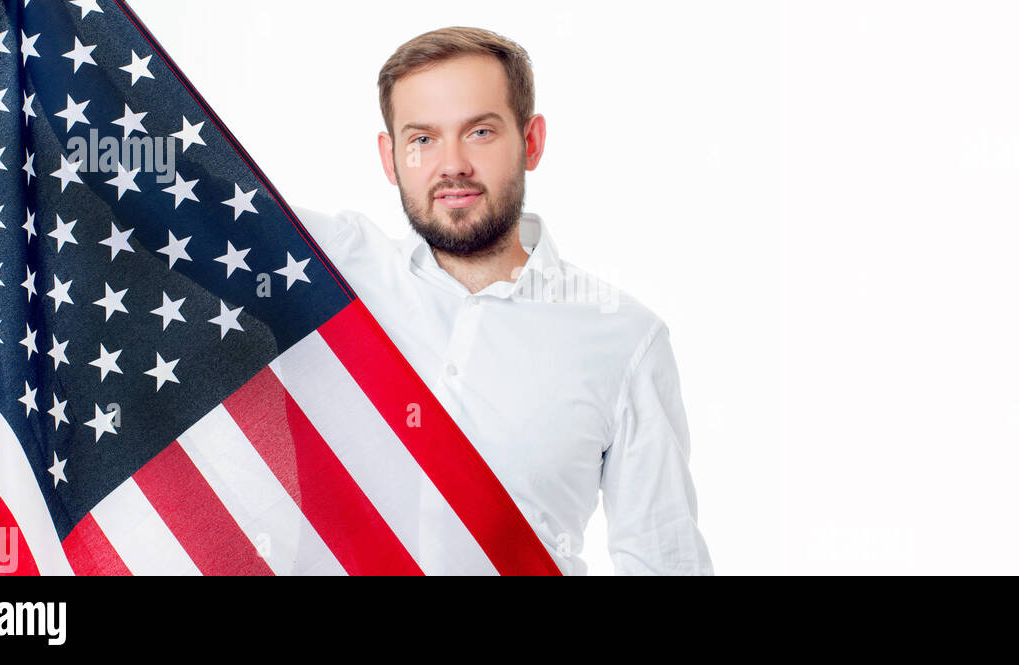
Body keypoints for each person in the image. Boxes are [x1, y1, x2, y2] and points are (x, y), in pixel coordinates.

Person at [293, 26, 712, 575]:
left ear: (531, 141)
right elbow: (166, 194)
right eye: (422, 139)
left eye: (481, 132)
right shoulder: (330, 270)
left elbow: (666, 561)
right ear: (390, 157)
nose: (452, 165)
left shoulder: (627, 340)